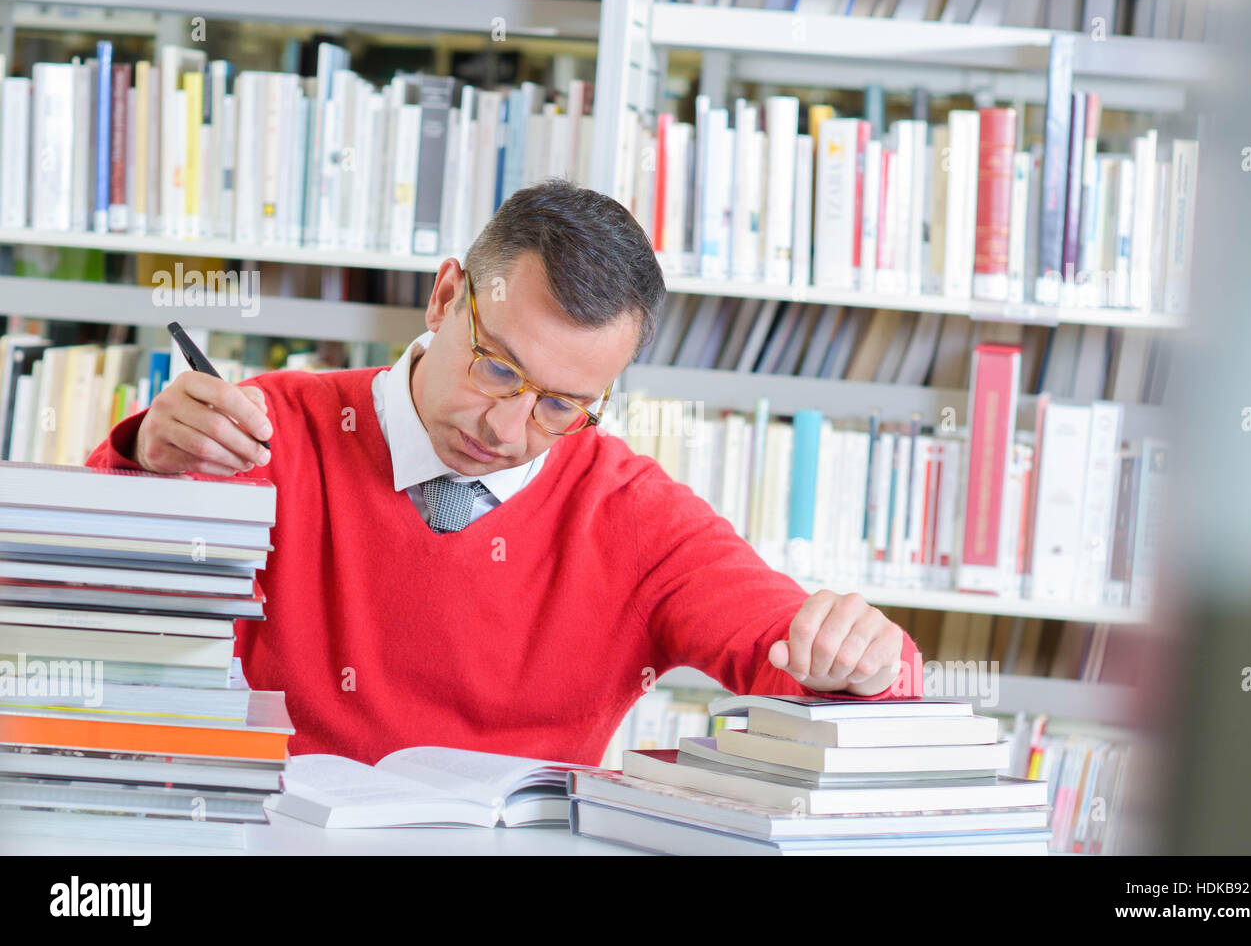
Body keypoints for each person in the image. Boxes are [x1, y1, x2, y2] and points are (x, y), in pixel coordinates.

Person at [87, 178, 921, 766]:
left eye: (563, 404)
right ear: (447, 296)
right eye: (496, 368)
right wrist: (145, 465)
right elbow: (99, 606)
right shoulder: (272, 432)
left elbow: (799, 658)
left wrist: (866, 662)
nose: (507, 426)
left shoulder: (632, 515)